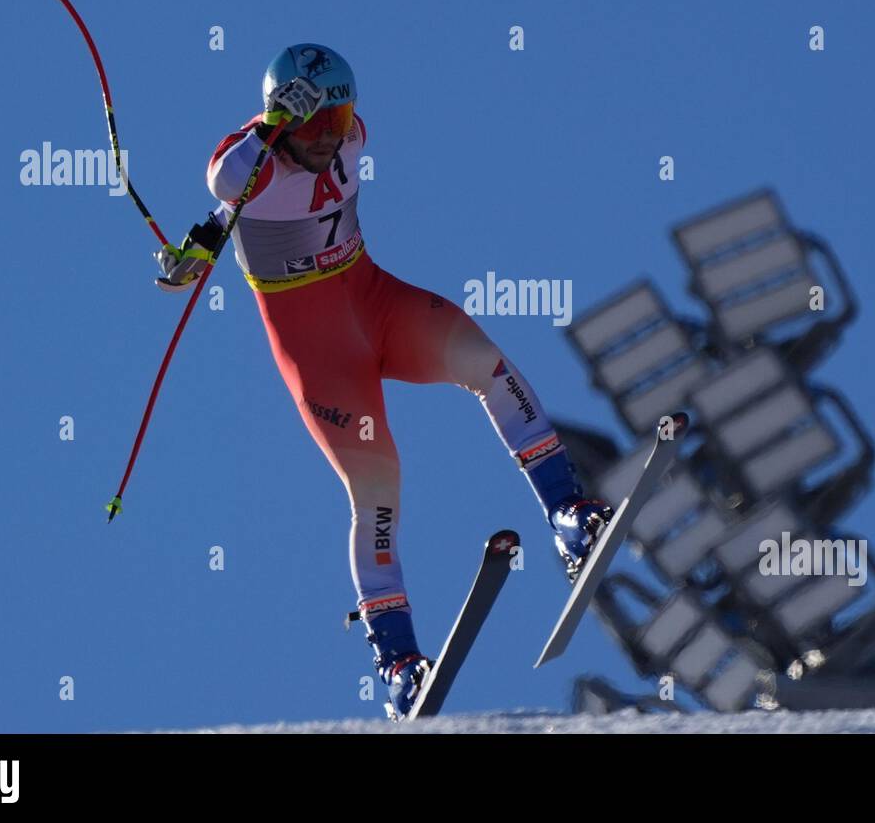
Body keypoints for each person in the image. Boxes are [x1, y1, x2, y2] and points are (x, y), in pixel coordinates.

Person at [156, 43, 610, 718]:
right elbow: (228, 183)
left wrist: (206, 241)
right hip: (319, 352)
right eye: (313, 128)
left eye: (337, 124)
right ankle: (397, 663)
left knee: (486, 362)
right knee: (378, 487)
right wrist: (206, 236)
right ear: (281, 119)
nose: (329, 140)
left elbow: (236, 204)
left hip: (376, 303)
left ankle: (569, 513)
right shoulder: (256, 155)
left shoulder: (346, 136)